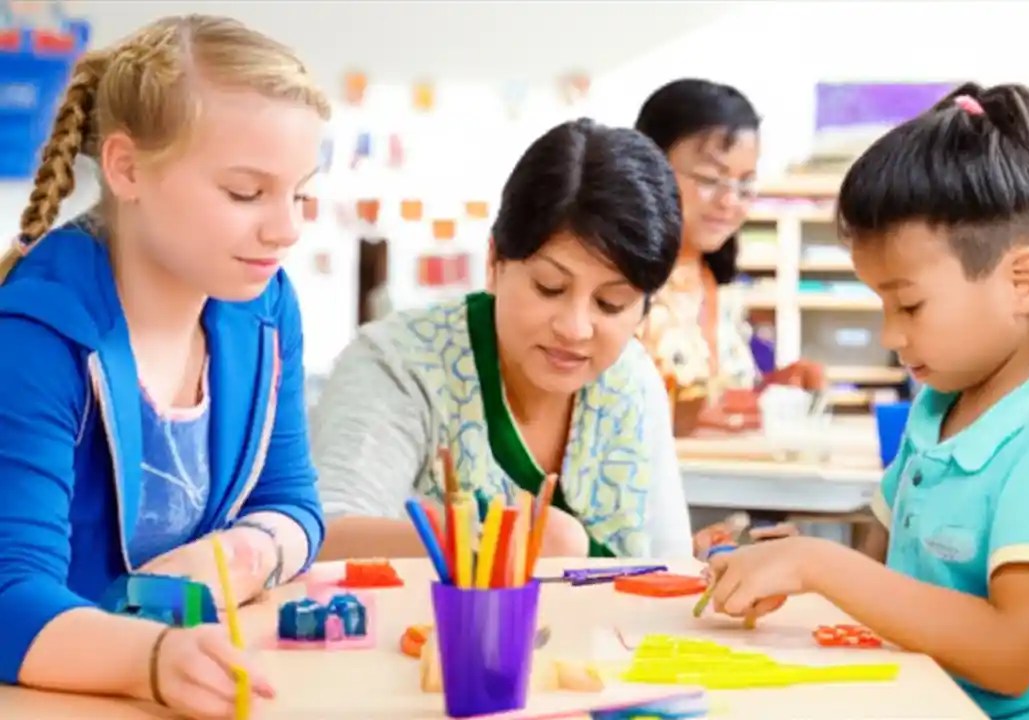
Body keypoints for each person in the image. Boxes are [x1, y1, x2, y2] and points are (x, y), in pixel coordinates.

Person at [705, 83, 1029, 719]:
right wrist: (785, 563)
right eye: (882, 304)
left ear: (1023, 281)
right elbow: (901, 588)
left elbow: (1011, 656)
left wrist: (823, 566)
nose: (890, 334)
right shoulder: (940, 409)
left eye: (909, 304)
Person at [0, 15, 328, 719]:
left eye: (299, 192)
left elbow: (295, 500)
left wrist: (239, 556)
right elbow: (9, 598)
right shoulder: (37, 335)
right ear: (126, 168)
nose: (287, 227)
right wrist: (151, 661)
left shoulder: (263, 306)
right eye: (246, 193)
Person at [312, 118, 694, 561]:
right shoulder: (399, 363)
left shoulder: (632, 378)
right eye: (549, 287)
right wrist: (496, 541)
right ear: (494, 262)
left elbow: (673, 565)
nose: (575, 328)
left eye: (611, 303)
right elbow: (326, 541)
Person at [634, 79, 824, 432]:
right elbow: (585, 413)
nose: (730, 201)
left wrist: (773, 389)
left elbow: (716, 400)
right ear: (649, 168)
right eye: (710, 178)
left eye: (745, 184)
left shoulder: (710, 280)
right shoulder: (619, 284)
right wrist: (680, 419)